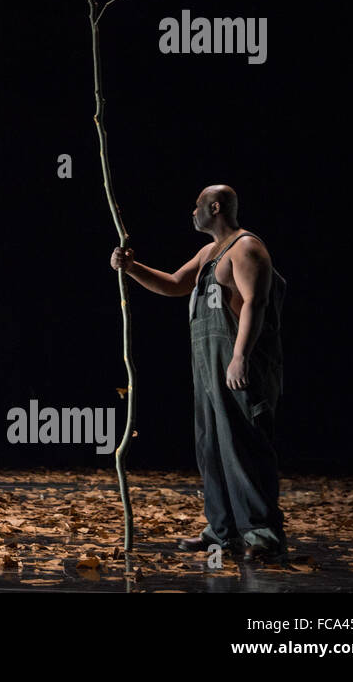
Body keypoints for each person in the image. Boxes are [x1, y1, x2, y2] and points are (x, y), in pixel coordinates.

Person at [110, 185, 288, 562]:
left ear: (215, 207)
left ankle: (262, 535)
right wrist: (130, 267)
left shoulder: (246, 248)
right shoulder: (210, 253)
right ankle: (222, 533)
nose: (192, 213)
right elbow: (175, 284)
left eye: (197, 207)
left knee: (244, 447)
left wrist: (240, 356)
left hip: (240, 365)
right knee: (211, 449)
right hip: (208, 367)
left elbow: (255, 304)